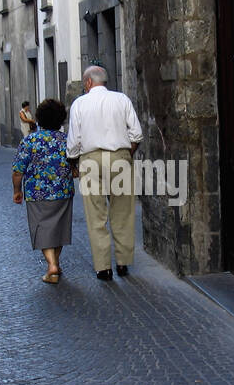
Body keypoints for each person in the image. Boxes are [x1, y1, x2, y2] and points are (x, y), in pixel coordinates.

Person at [66, 65, 142, 280]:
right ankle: (123, 263)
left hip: (90, 160)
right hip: (120, 157)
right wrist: (126, 155)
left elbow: (73, 142)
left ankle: (103, 267)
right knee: (123, 213)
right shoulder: (122, 99)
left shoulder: (79, 103)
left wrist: (74, 163)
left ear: (88, 82)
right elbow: (136, 134)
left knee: (95, 216)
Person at [13, 98, 73, 283]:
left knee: (41, 228)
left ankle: (52, 266)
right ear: (60, 119)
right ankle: (56, 263)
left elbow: (18, 170)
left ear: (39, 119)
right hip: (62, 191)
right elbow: (76, 167)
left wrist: (17, 190)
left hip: (37, 193)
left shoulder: (30, 141)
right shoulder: (65, 140)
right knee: (59, 229)